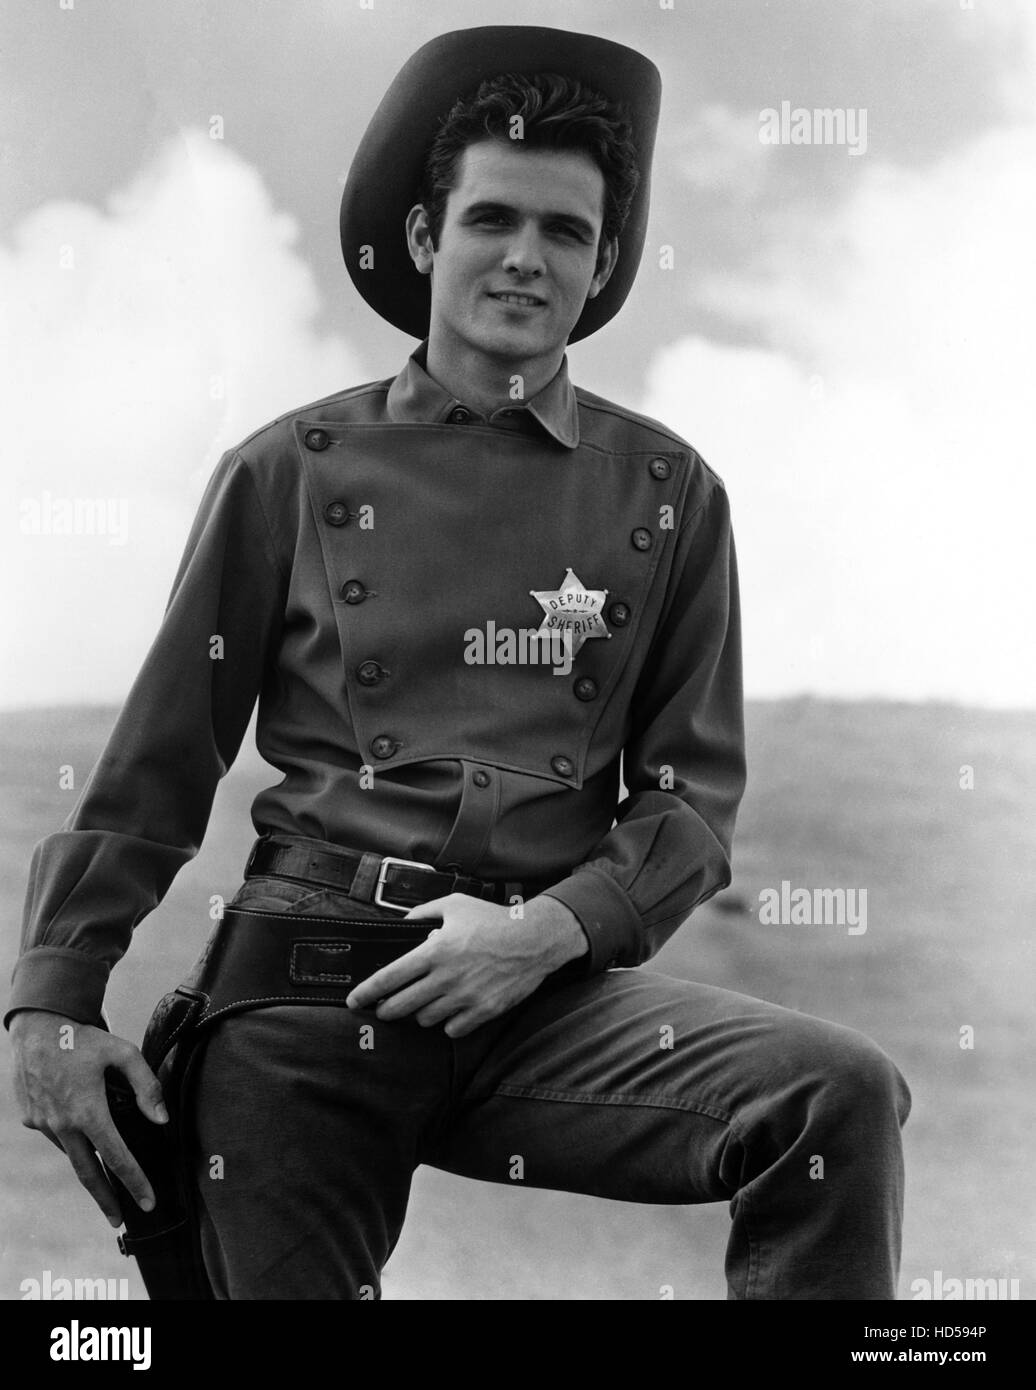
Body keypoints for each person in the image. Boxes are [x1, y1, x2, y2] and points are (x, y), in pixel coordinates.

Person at [7, 25, 910, 1300]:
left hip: (537, 990)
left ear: (599, 270)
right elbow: (156, 764)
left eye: (566, 233)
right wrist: (51, 999)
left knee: (837, 1096)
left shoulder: (666, 493)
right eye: (493, 218)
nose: (526, 259)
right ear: (426, 240)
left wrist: (545, 933)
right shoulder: (291, 469)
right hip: (307, 987)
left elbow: (689, 803)